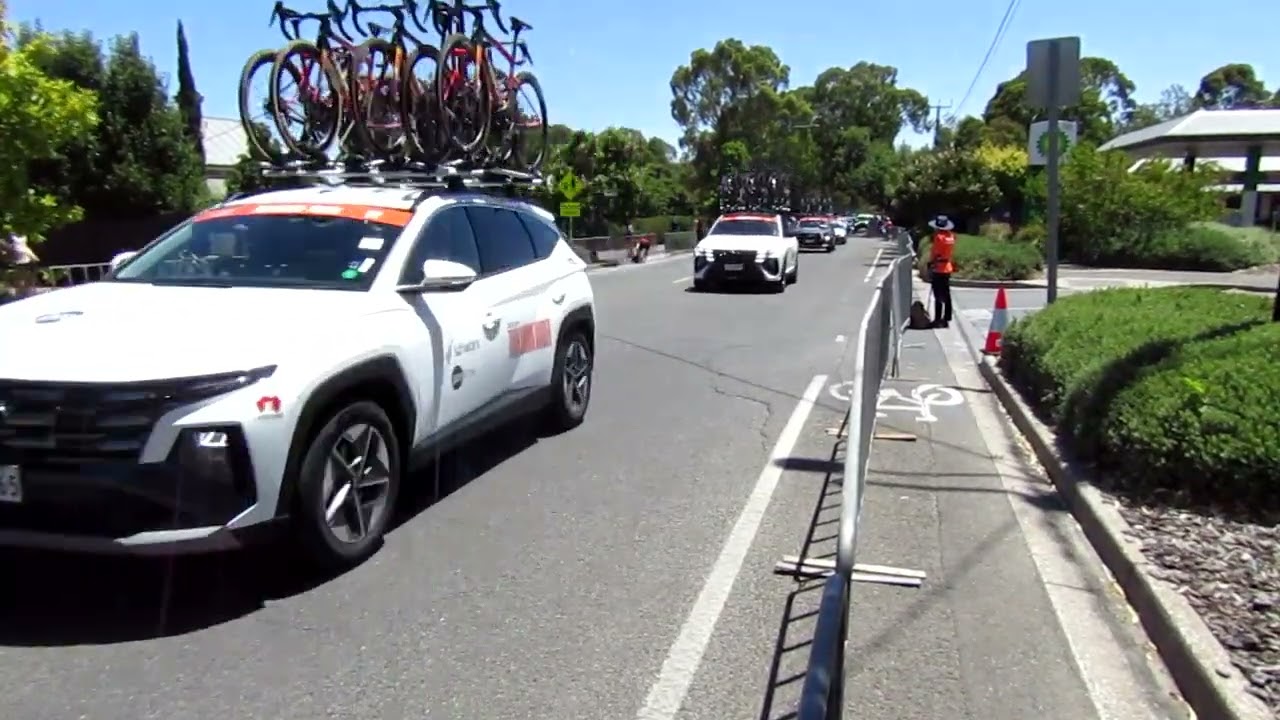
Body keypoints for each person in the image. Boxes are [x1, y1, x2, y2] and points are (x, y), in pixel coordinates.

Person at [926, 215, 956, 328]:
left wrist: (930, 263)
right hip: (947, 266)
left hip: (938, 267)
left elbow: (935, 252)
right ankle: (947, 318)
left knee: (938, 295)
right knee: (946, 294)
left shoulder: (938, 237)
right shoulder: (951, 236)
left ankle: (938, 319)